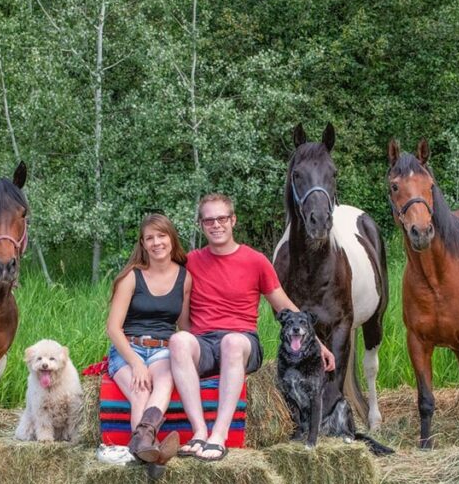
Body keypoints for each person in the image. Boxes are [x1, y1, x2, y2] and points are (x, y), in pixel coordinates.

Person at [169, 193, 335, 461]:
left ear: (233, 220)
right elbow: (183, 317)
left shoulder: (255, 260)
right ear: (201, 225)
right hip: (205, 344)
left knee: (232, 342)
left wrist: (318, 344)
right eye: (208, 220)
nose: (216, 225)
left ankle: (219, 435)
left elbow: (284, 305)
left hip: (243, 343)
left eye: (222, 218)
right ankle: (199, 431)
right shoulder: (190, 262)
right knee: (178, 341)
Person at [106, 213, 192, 468]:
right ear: (143, 244)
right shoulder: (132, 276)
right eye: (149, 238)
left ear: (171, 238)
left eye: (161, 236)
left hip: (162, 349)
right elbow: (113, 328)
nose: (156, 242)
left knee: (165, 379)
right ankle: (150, 452)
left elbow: (183, 325)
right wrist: (135, 363)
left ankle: (143, 448)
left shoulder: (185, 278)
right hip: (127, 348)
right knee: (140, 389)